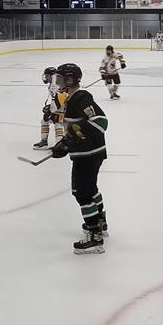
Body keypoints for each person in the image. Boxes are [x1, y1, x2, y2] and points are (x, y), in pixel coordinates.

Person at [50, 63, 109, 255]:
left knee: (81, 193)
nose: (57, 82)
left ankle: (95, 237)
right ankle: (100, 222)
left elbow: (100, 122)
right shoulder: (72, 98)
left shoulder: (81, 98)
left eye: (60, 78)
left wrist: (69, 142)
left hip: (87, 155)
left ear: (70, 80)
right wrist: (55, 114)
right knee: (91, 189)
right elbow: (77, 120)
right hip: (91, 152)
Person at [33, 66, 66, 150]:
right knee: (45, 120)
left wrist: (51, 110)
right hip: (59, 108)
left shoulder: (56, 84)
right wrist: (49, 108)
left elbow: (62, 98)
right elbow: (56, 99)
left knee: (58, 122)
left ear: (52, 76)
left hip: (64, 109)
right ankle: (44, 141)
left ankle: (59, 145)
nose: (46, 77)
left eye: (47, 75)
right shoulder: (53, 84)